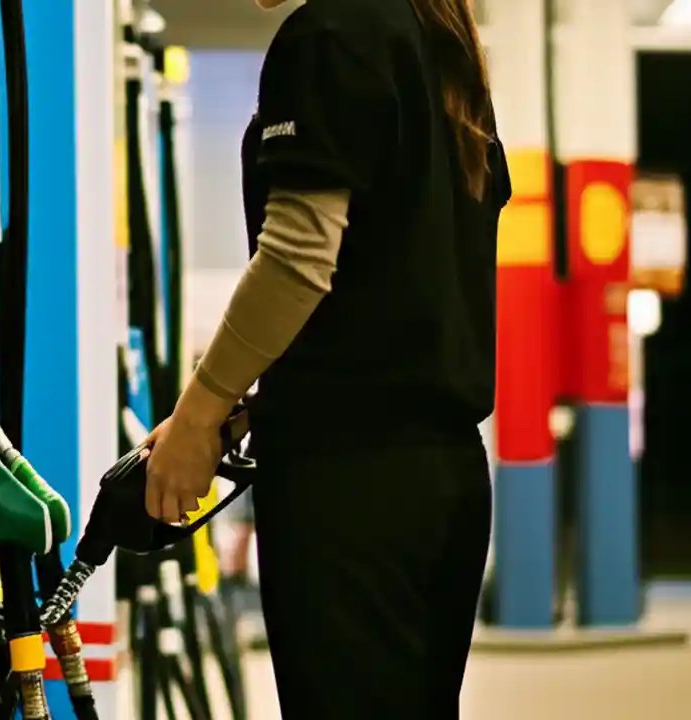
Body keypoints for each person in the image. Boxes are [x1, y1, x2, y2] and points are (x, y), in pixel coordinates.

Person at [144, 0, 511, 716]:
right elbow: (394, 288)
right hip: (442, 480)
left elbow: (298, 259)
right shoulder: (434, 42)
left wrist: (198, 415)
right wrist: (255, 405)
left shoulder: (332, 32)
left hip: (349, 493)